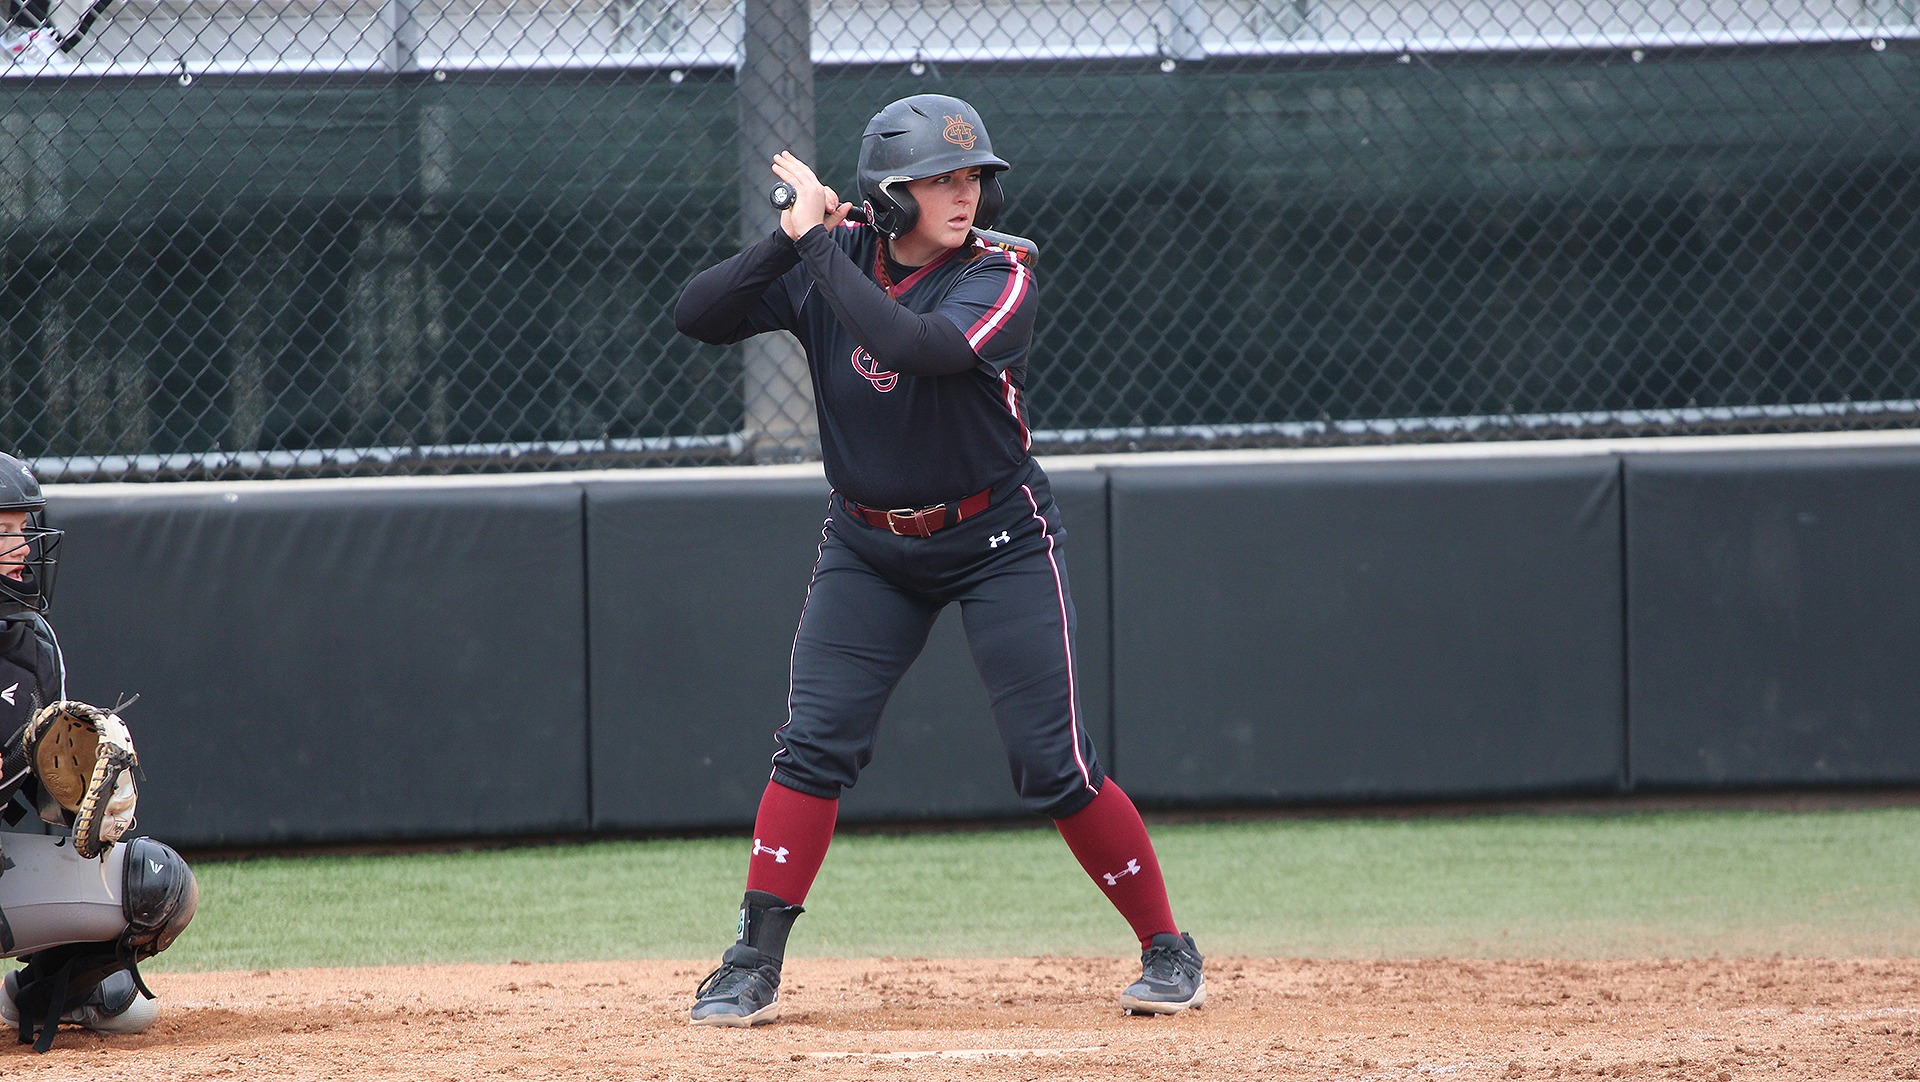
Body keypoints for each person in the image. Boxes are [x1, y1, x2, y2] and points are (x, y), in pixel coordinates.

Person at [673, 94, 1203, 1026]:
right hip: (869, 545)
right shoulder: (829, 261)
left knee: (1054, 763)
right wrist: (794, 237)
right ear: (890, 194)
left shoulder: (1000, 275)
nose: (963, 195)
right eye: (937, 180)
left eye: (971, 178)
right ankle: (752, 961)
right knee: (812, 743)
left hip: (995, 538)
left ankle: (1167, 946)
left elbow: (913, 346)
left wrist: (815, 252)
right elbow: (697, 314)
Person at [0, 451, 199, 1052]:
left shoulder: (32, 646)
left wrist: (81, 798)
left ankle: (46, 991)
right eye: (1, 530)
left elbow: (41, 807)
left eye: (21, 528)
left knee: (156, 887)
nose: (22, 547)